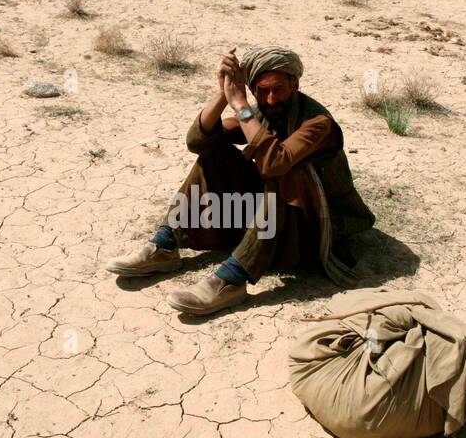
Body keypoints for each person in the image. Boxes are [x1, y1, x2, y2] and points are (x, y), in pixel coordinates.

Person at [106, 46, 376, 315]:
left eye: (278, 89)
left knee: (286, 171)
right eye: (261, 90)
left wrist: (241, 105)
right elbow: (197, 141)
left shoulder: (317, 122)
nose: (270, 99)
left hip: (317, 226)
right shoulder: (258, 114)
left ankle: (232, 280)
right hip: (273, 218)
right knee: (214, 154)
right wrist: (224, 93)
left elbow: (276, 162)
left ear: (295, 85)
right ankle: (165, 244)